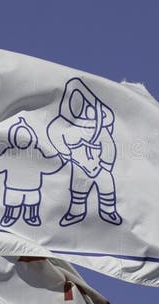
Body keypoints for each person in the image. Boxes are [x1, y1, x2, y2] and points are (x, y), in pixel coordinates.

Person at [47, 77, 122, 226]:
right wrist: (67, 155)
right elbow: (55, 137)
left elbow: (109, 147)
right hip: (78, 165)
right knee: (77, 189)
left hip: (99, 166)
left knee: (107, 186)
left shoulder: (99, 130)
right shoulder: (64, 128)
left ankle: (108, 211)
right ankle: (76, 212)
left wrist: (106, 164)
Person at [0, 117, 63, 227]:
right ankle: (10, 216)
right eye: (18, 137)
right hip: (13, 188)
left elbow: (48, 166)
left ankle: (31, 216)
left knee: (31, 203)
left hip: (32, 189)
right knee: (12, 203)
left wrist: (59, 157)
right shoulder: (9, 153)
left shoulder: (36, 153)